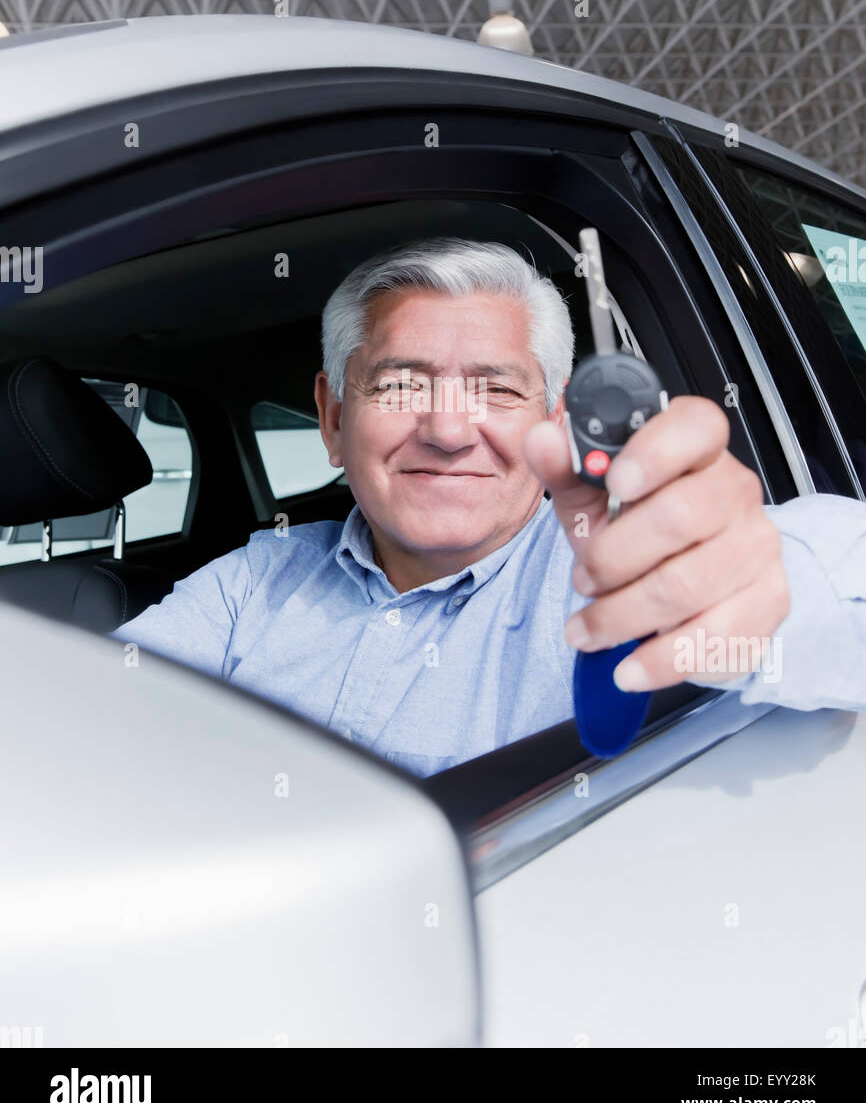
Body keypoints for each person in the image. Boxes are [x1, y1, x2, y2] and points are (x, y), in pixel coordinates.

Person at [113, 238, 866, 777]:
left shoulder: (612, 568)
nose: (446, 431)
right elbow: (89, 719)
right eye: (400, 385)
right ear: (334, 418)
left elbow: (835, 601)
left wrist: (757, 579)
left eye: (497, 389)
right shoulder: (252, 585)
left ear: (555, 418)